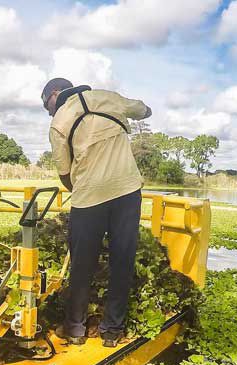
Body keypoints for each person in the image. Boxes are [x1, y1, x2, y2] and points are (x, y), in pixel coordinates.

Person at [42, 78, 152, 347]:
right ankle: (112, 331)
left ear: (55, 94)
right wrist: (142, 111)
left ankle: (75, 329)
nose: (48, 112)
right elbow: (142, 110)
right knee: (122, 262)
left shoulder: (58, 123)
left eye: (47, 105)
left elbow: (64, 173)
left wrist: (82, 188)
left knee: (81, 265)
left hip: (88, 199)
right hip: (127, 192)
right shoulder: (107, 97)